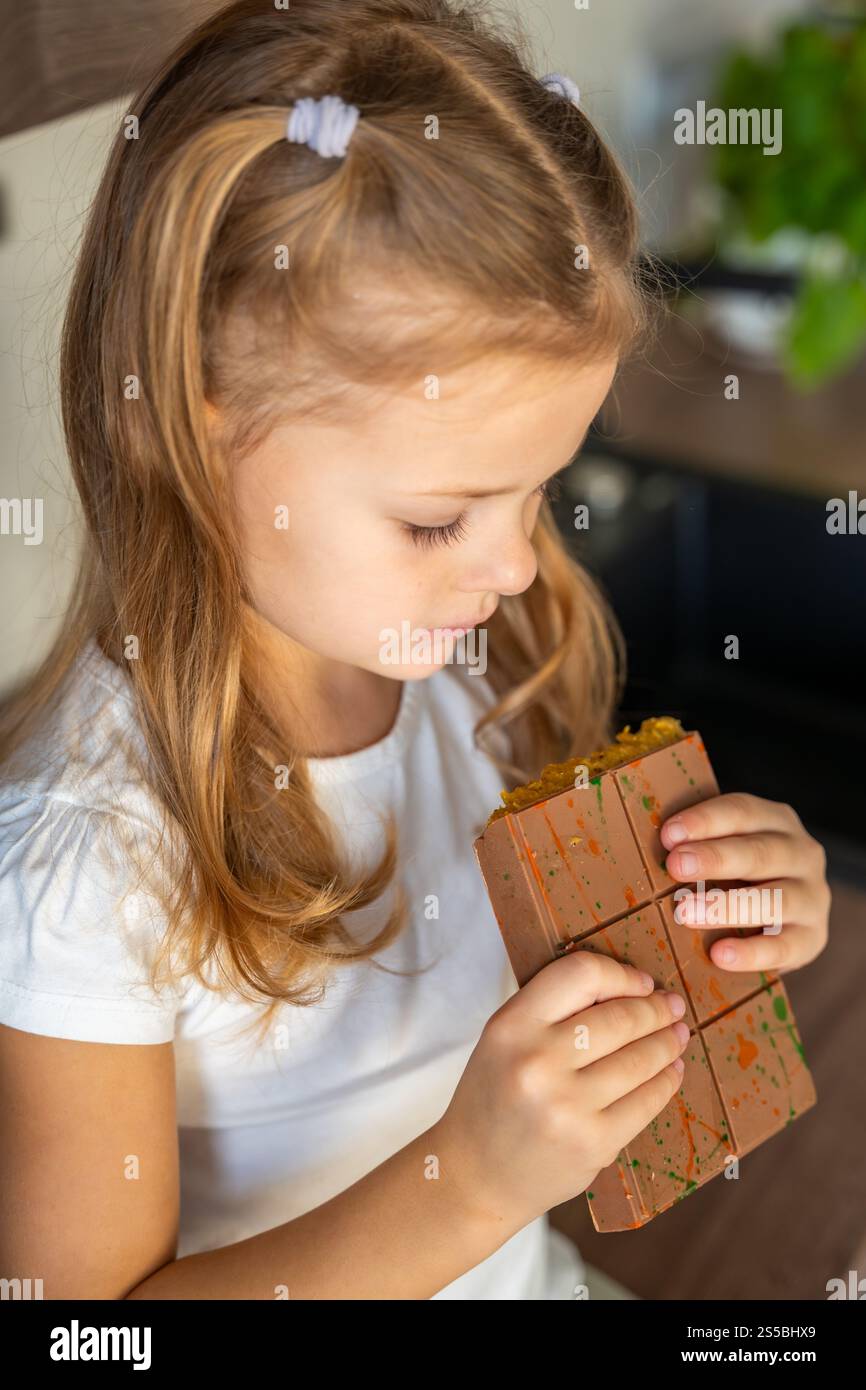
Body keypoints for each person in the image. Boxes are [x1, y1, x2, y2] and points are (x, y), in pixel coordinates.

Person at [0, 0, 830, 1300]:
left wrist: (727, 918)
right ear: (195, 433)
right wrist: (472, 1177)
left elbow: (569, 976)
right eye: (438, 516)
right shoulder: (90, 857)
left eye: (537, 489)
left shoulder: (463, 667)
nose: (510, 567)